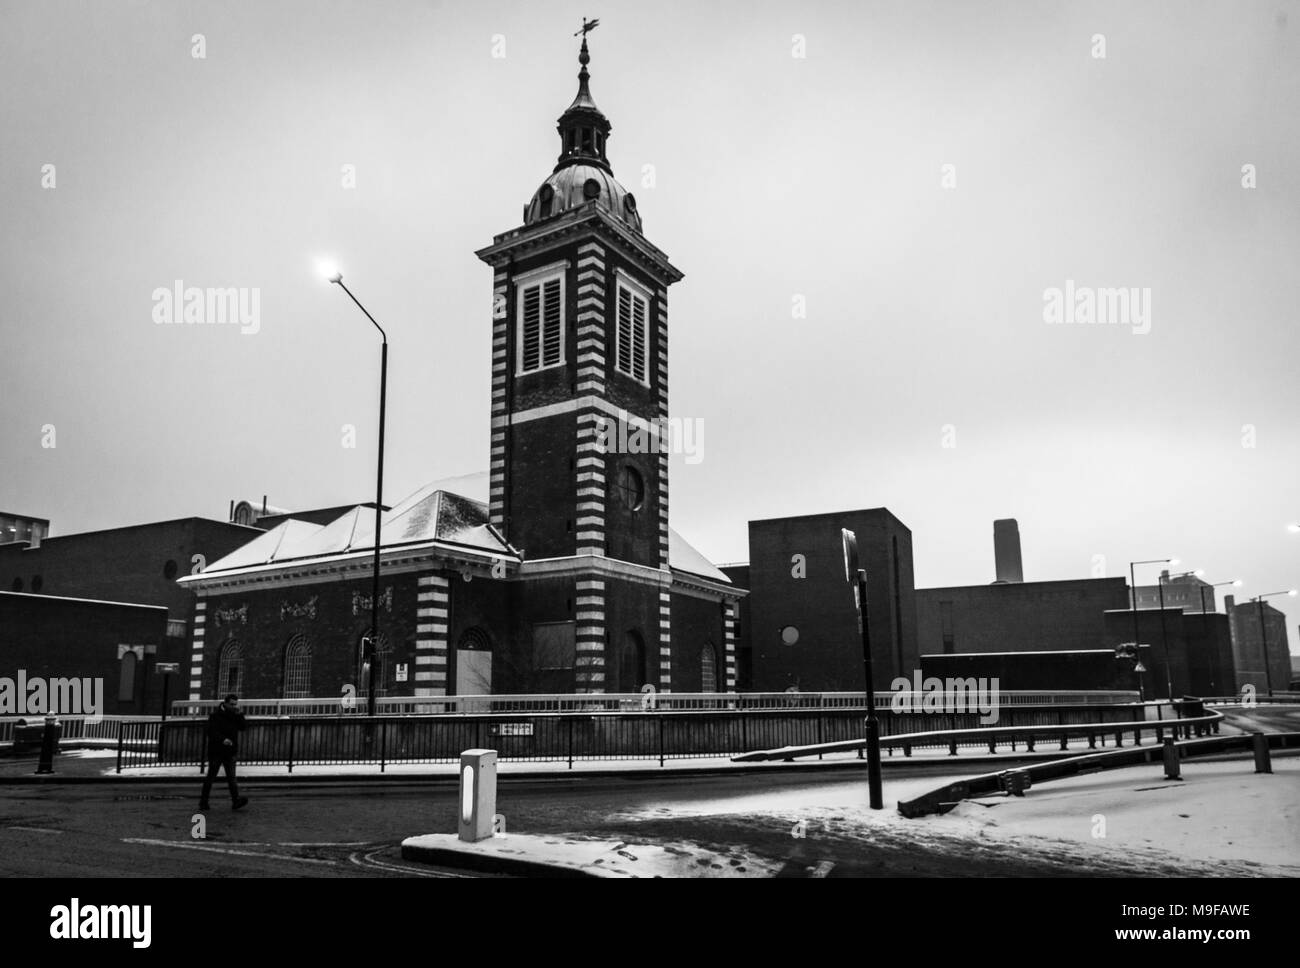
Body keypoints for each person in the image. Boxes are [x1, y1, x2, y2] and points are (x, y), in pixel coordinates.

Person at [199, 694, 249, 811]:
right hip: (217, 750)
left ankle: (235, 801)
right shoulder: (215, 716)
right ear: (225, 703)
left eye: (235, 704)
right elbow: (211, 732)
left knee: (231, 777)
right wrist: (223, 739)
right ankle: (203, 801)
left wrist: (240, 715)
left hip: (230, 751)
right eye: (231, 704)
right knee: (211, 776)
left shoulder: (234, 715)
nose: (233, 706)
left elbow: (243, 727)